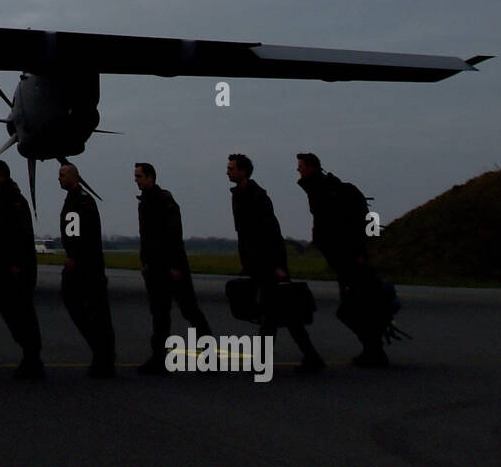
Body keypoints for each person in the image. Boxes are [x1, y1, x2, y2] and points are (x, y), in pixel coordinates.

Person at [227, 153, 323, 373]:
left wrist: (278, 265)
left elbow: (271, 232)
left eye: (231, 169)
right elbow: (245, 235)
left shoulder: (257, 197)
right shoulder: (239, 195)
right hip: (257, 263)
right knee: (286, 314)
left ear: (243, 172)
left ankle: (263, 361)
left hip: (268, 263)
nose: (228, 172)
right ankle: (311, 356)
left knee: (271, 313)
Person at [296, 153, 387, 367]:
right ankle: (373, 350)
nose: (298, 170)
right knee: (356, 307)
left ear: (311, 167)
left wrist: (353, 253)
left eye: (300, 166)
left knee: (350, 309)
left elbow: (340, 227)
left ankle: (374, 350)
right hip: (347, 258)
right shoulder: (324, 189)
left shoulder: (326, 191)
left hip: (349, 259)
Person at [134, 162, 212, 374]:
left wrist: (175, 266)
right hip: (156, 268)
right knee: (159, 314)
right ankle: (158, 358)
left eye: (139, 176)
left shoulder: (164, 201)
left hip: (171, 268)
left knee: (190, 311)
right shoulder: (145, 203)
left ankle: (209, 356)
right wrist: (146, 264)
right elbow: (146, 239)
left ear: (151, 177)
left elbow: (173, 235)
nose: (136, 180)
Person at [58, 163, 115, 377]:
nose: (59, 179)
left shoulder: (78, 202)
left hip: (85, 268)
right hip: (90, 266)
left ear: (73, 177)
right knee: (97, 314)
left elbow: (76, 234)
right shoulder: (80, 199)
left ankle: (104, 357)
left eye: (62, 175)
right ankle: (103, 356)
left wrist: (73, 256)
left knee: (91, 312)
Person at [0, 160, 43, 378]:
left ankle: (32, 357)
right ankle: (30, 354)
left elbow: (22, 236)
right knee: (9, 308)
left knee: (22, 312)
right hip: (6, 269)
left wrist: (17, 265)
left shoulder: (14, 201)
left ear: (2, 176)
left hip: (16, 271)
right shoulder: (5, 199)